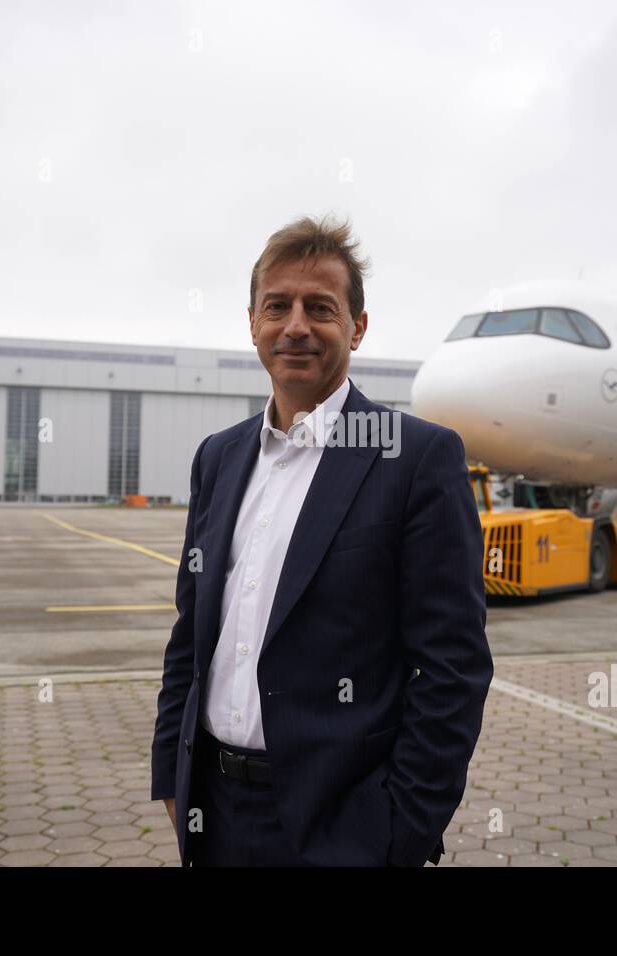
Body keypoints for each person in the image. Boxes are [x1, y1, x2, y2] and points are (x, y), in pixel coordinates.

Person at [150, 214, 493, 867]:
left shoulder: (416, 457)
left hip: (343, 828)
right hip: (214, 816)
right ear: (253, 322)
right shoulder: (217, 459)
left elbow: (453, 667)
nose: (296, 325)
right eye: (277, 306)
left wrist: (399, 831)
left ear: (357, 327)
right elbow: (189, 635)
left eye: (320, 308)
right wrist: (172, 772)